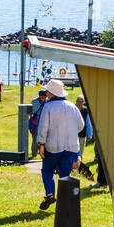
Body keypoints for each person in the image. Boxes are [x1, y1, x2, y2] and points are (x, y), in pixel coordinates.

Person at [35, 78, 84, 210]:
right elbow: (81, 125)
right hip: (71, 147)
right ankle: (64, 201)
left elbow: (43, 127)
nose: (46, 92)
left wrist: (41, 144)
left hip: (53, 146)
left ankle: (50, 194)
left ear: (51, 93)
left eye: (47, 91)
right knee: (65, 174)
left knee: (47, 171)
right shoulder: (72, 107)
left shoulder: (48, 106)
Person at [73, 94, 95, 179]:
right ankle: (73, 168)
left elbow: (88, 123)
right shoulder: (73, 109)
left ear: (83, 102)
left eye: (81, 101)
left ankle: (78, 168)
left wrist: (90, 134)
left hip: (82, 135)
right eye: (78, 101)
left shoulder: (86, 110)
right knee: (73, 152)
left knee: (80, 153)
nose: (79, 103)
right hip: (73, 135)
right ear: (76, 101)